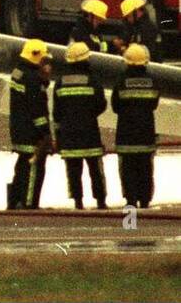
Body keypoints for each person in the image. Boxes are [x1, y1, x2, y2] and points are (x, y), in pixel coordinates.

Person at [52, 42, 108, 209]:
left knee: (73, 171)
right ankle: (101, 201)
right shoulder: (92, 80)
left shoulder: (60, 82)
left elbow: (57, 112)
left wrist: (59, 134)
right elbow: (101, 104)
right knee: (95, 170)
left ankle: (78, 201)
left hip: (69, 135)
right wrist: (88, 115)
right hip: (90, 133)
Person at [8, 38, 54, 210]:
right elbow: (38, 111)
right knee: (34, 167)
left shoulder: (17, 72)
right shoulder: (33, 80)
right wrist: (45, 133)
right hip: (31, 133)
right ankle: (29, 203)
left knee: (21, 165)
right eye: (43, 59)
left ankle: (14, 200)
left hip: (18, 128)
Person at [113, 43, 159, 208]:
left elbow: (115, 106)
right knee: (145, 168)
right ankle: (145, 199)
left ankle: (131, 199)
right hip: (146, 132)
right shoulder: (152, 81)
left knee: (128, 169)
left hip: (126, 134)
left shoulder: (121, 81)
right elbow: (154, 104)